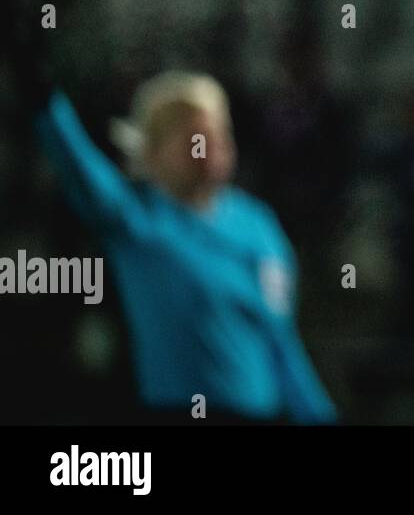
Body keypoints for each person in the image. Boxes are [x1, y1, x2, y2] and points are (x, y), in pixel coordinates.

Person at [15, 52, 338, 424]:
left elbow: (280, 341)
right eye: (191, 138)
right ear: (152, 152)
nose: (208, 148)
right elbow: (81, 171)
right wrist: (44, 99)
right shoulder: (139, 222)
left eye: (217, 133)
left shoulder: (259, 227)